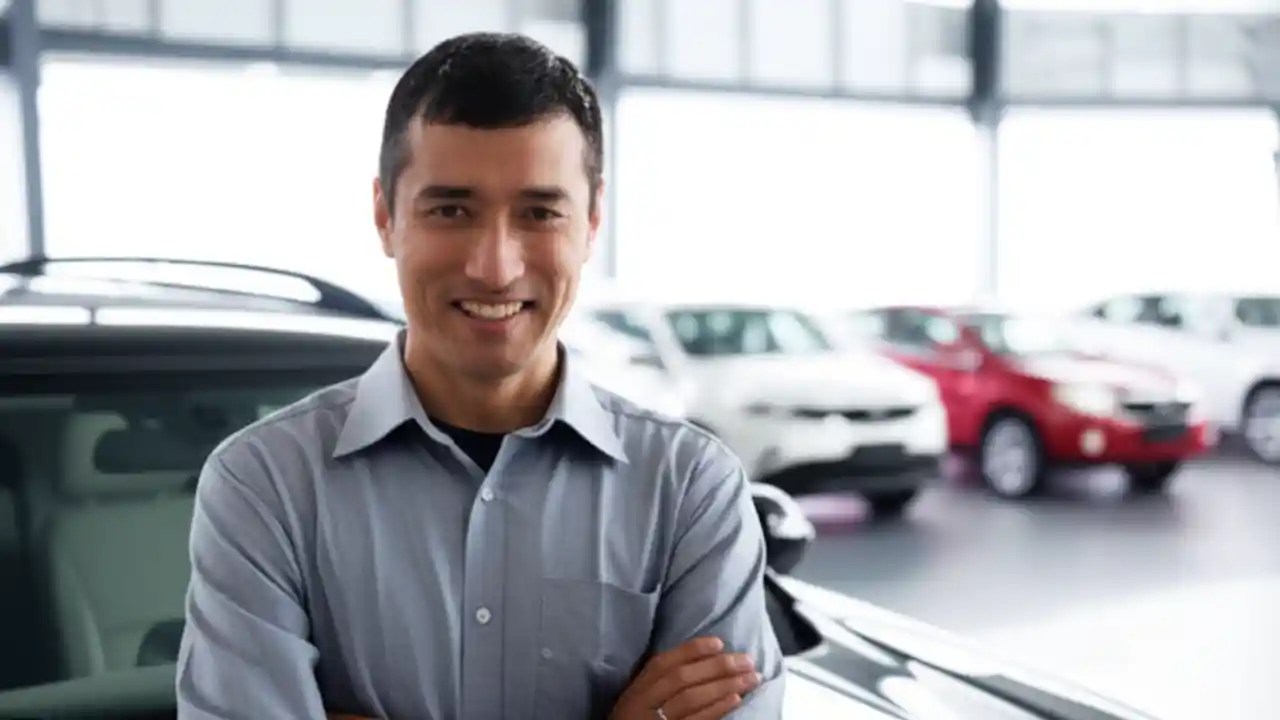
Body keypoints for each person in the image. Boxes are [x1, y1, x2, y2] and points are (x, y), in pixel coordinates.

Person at [175, 32, 784, 720]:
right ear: (385, 216)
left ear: (591, 221)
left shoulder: (690, 490)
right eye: (451, 210)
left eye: (539, 213)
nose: (495, 266)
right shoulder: (267, 487)